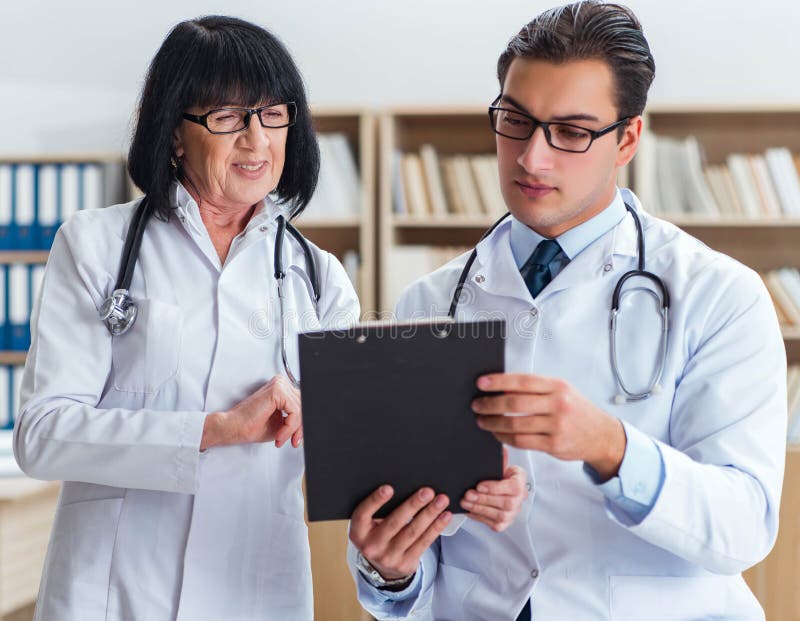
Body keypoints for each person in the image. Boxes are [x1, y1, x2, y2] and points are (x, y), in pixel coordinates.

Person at [347, 2, 787, 620]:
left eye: (572, 132)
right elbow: (412, 558)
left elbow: (743, 526)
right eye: (515, 121)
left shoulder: (719, 295)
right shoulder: (430, 301)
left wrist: (609, 446)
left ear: (627, 138)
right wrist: (389, 570)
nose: (532, 158)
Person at [13, 16, 359, 621]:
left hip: (254, 590)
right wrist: (215, 429)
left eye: (273, 114)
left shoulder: (320, 276)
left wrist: (327, 418)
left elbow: (352, 454)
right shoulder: (94, 245)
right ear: (175, 132)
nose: (257, 141)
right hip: (115, 592)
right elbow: (42, 435)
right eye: (227, 118)